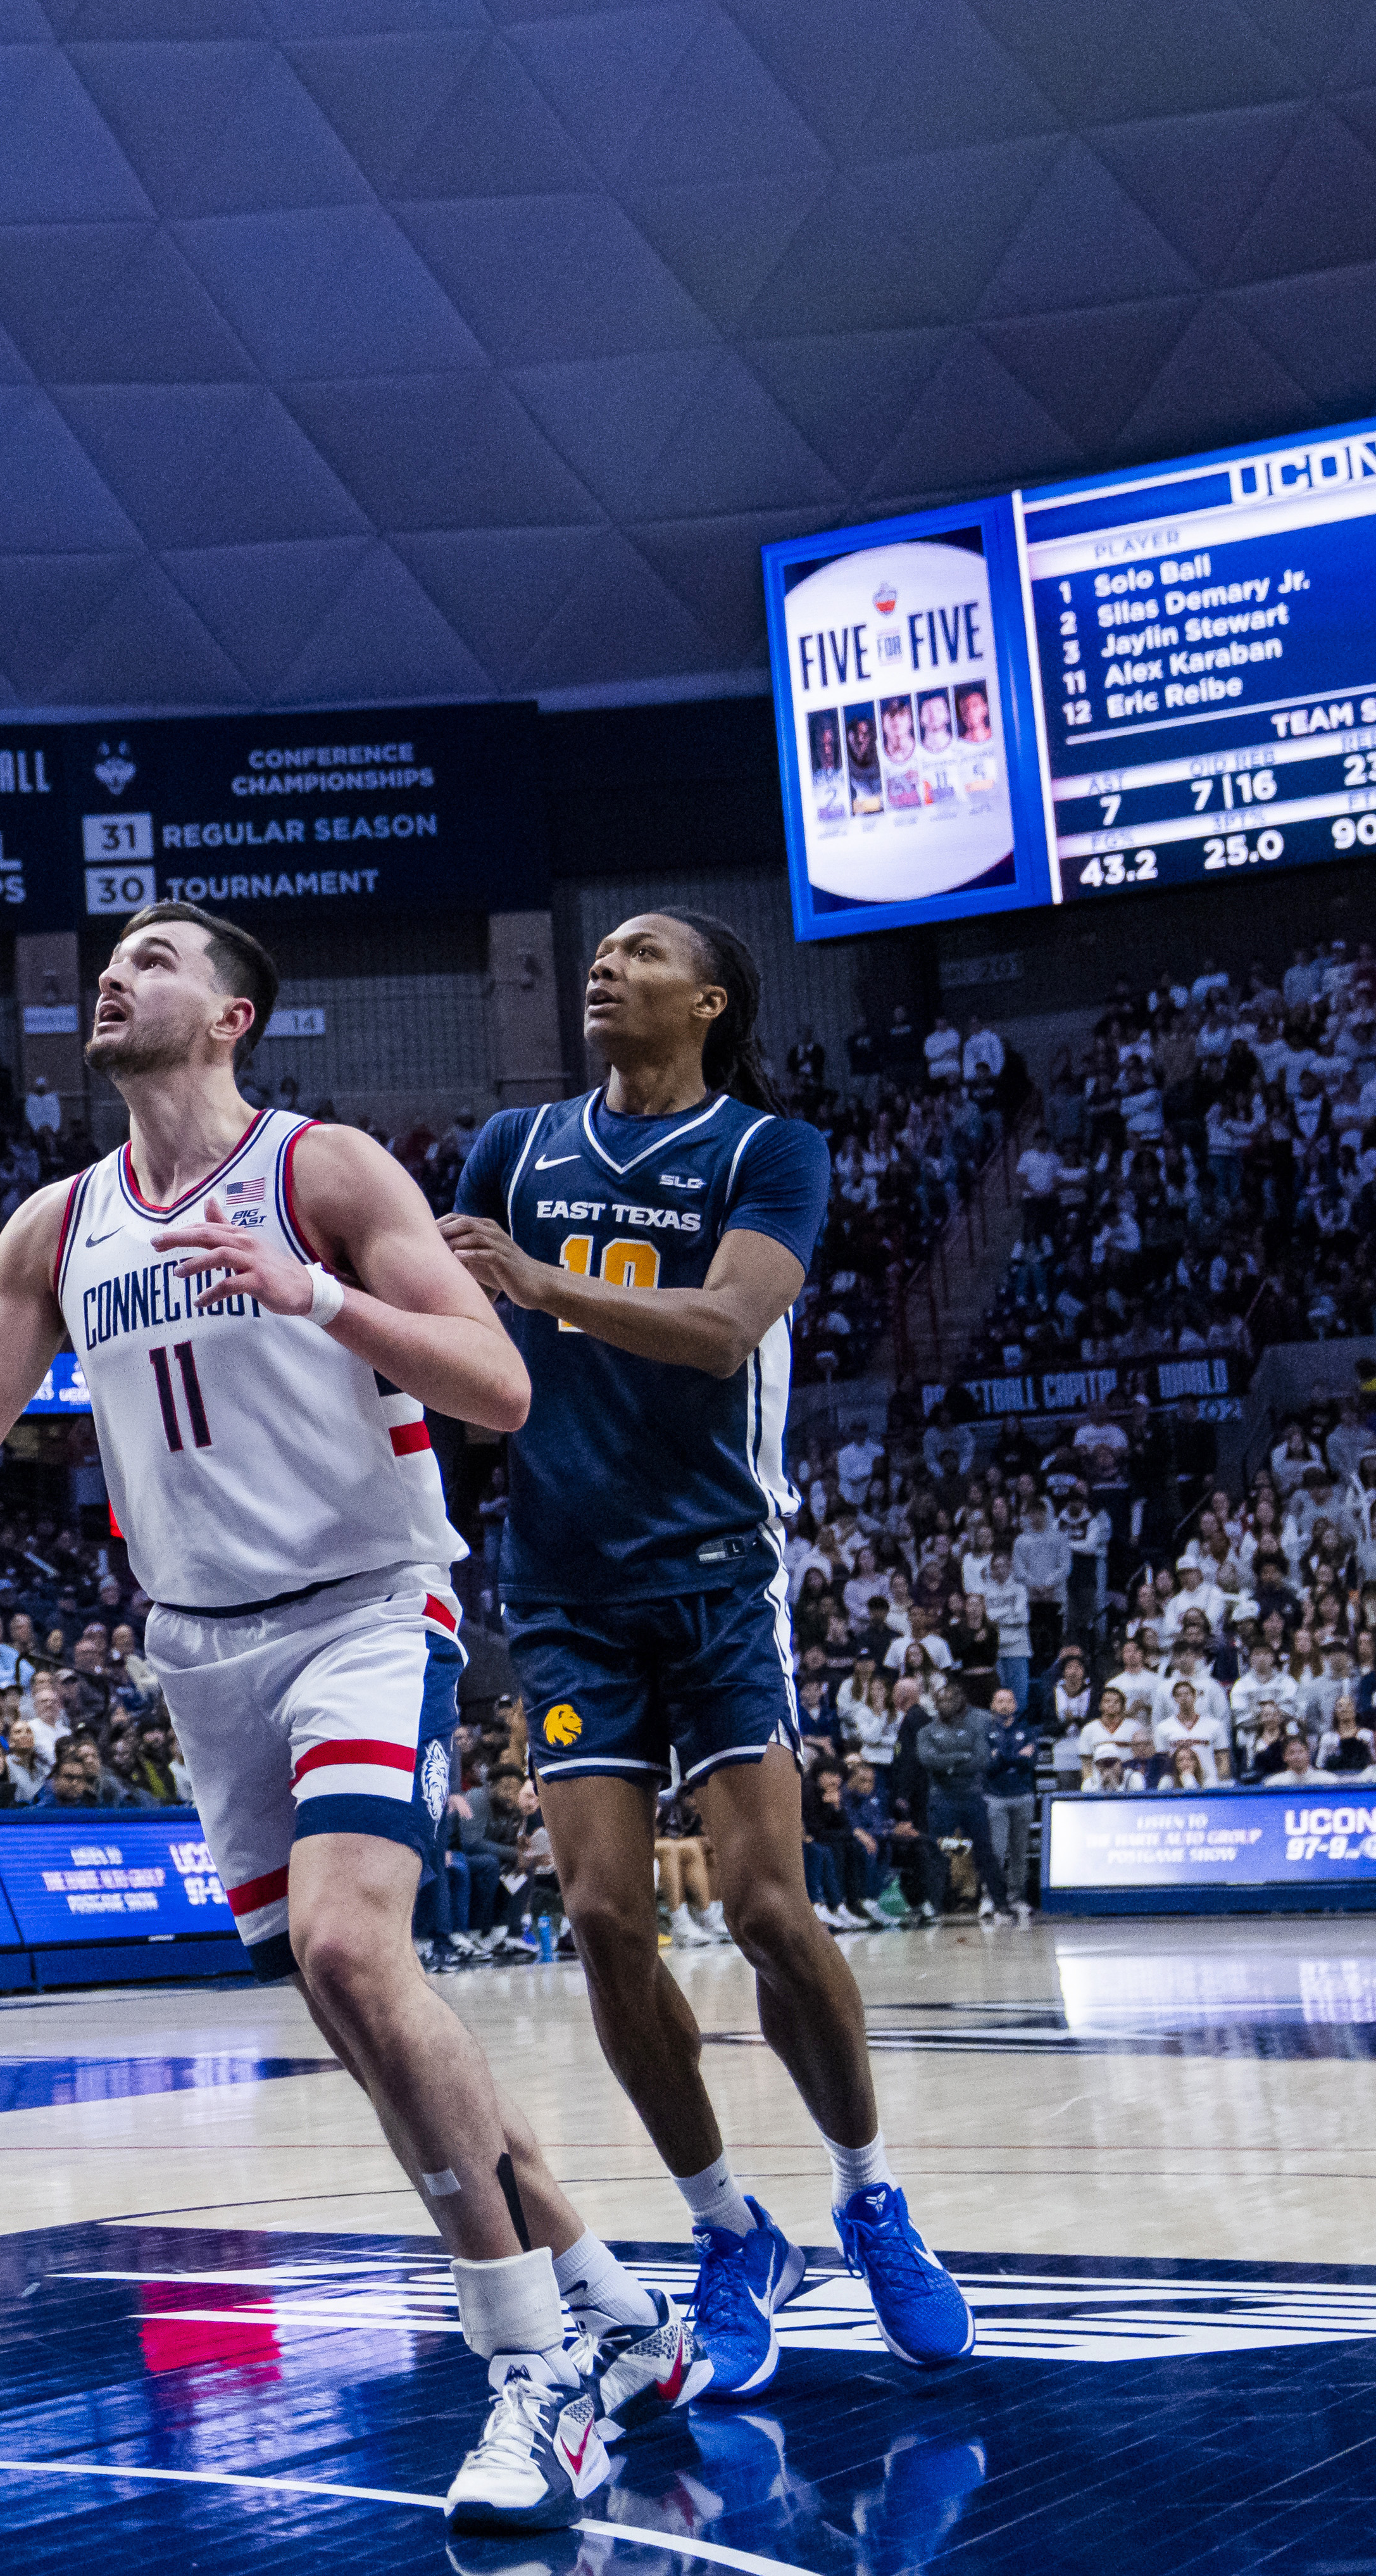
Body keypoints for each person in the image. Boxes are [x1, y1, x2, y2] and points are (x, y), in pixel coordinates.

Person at [0, 902, 701, 2536]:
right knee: (361, 2008)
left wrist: (312, 1297)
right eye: (114, 954)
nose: (118, 968)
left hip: (369, 1606)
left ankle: (528, 2364)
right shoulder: (57, 1223)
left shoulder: (319, 1173)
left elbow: (499, 1381)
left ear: (232, 1014)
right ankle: (610, 2297)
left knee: (351, 1949)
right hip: (204, 1654)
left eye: (159, 954)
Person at [442, 907, 975, 2398]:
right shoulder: (511, 1147)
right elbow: (437, 1326)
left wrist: (545, 1290)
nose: (600, 969)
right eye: (596, 954)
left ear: (708, 1000)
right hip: (556, 1585)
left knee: (760, 1908)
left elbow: (725, 1324)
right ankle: (725, 2229)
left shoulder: (766, 1152)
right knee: (604, 1919)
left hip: (714, 1571)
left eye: (635, 954)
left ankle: (866, 2196)